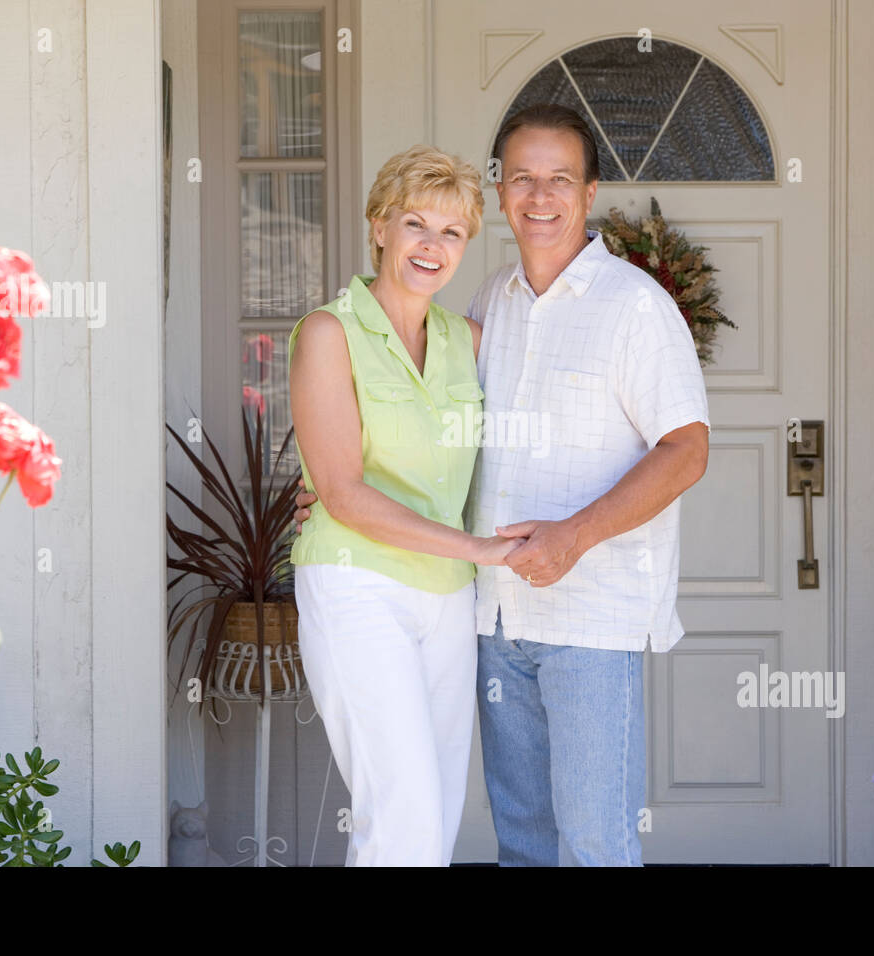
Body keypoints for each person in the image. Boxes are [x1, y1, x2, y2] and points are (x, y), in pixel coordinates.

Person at [295, 104, 710, 866]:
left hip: (588, 619)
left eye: (560, 179)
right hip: (490, 616)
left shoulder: (636, 308)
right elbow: (382, 454)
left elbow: (687, 450)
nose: (540, 195)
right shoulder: (489, 306)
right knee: (517, 840)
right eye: (523, 178)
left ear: (589, 195)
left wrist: (575, 535)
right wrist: (329, 489)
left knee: (592, 841)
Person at [286, 144, 522, 867]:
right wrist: (480, 550)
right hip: (359, 585)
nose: (432, 245)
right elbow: (344, 493)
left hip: (448, 600)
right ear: (380, 226)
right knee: (403, 817)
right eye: (416, 223)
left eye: (451, 233)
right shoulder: (330, 334)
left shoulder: (471, 341)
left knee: (438, 816)